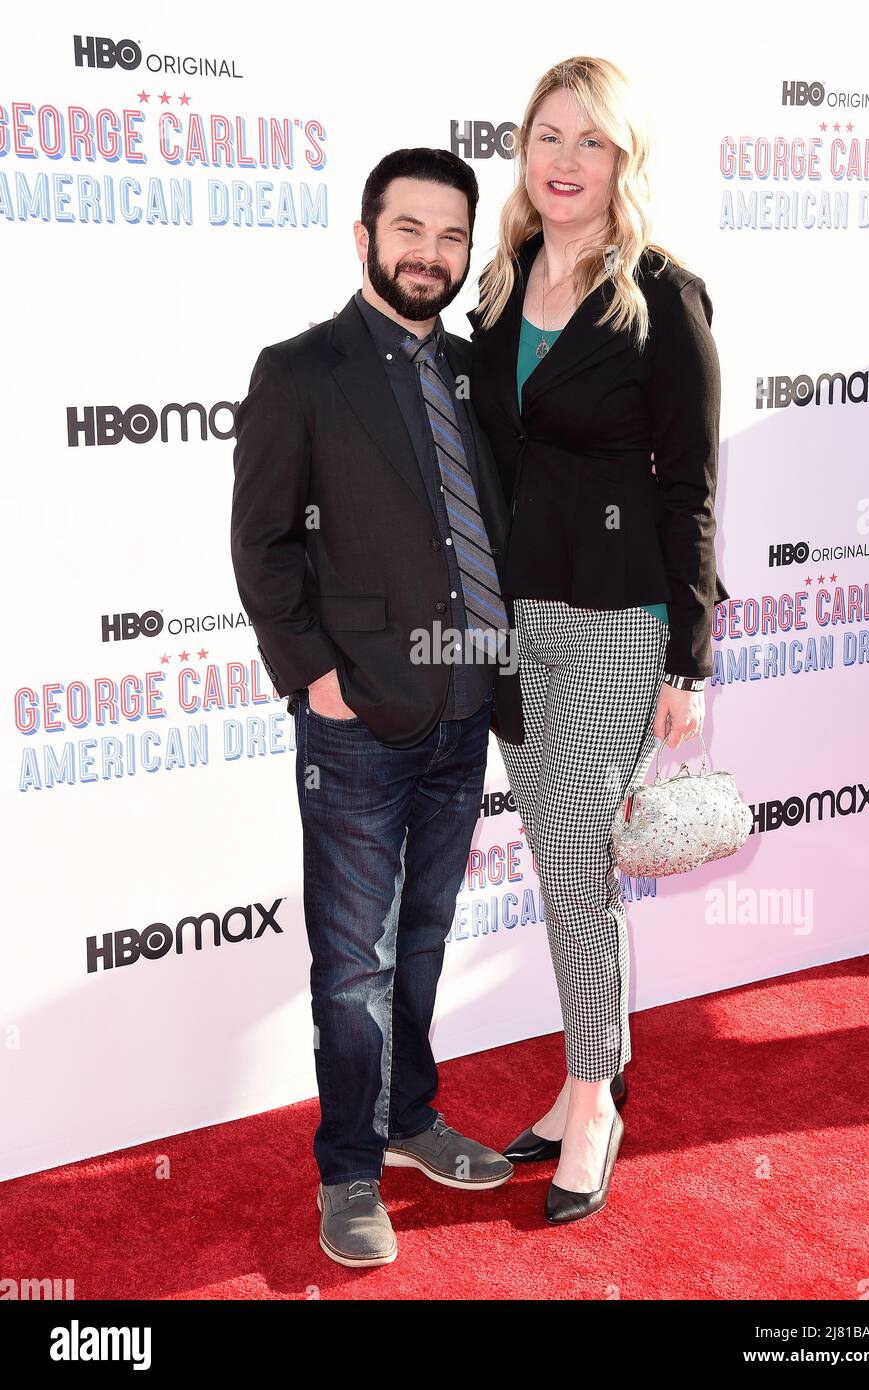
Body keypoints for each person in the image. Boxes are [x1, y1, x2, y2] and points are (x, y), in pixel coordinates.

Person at [230, 148, 523, 1268]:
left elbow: (486, 523)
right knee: (352, 962)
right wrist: (315, 678)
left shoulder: (470, 372)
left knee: (425, 940)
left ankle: (408, 1122)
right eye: (409, 231)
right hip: (356, 719)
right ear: (363, 238)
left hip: (461, 706)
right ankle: (348, 1169)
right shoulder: (301, 370)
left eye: (451, 238)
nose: (430, 255)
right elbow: (260, 543)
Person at [467, 56, 729, 1225]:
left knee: (576, 851)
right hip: (516, 619)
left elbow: (691, 486)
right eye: (546, 137)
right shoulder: (501, 277)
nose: (564, 162)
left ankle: (591, 1097)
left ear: (623, 161)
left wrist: (689, 656)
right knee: (561, 856)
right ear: (522, 150)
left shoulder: (661, 296)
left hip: (623, 617)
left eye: (590, 142)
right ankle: (600, 1063)